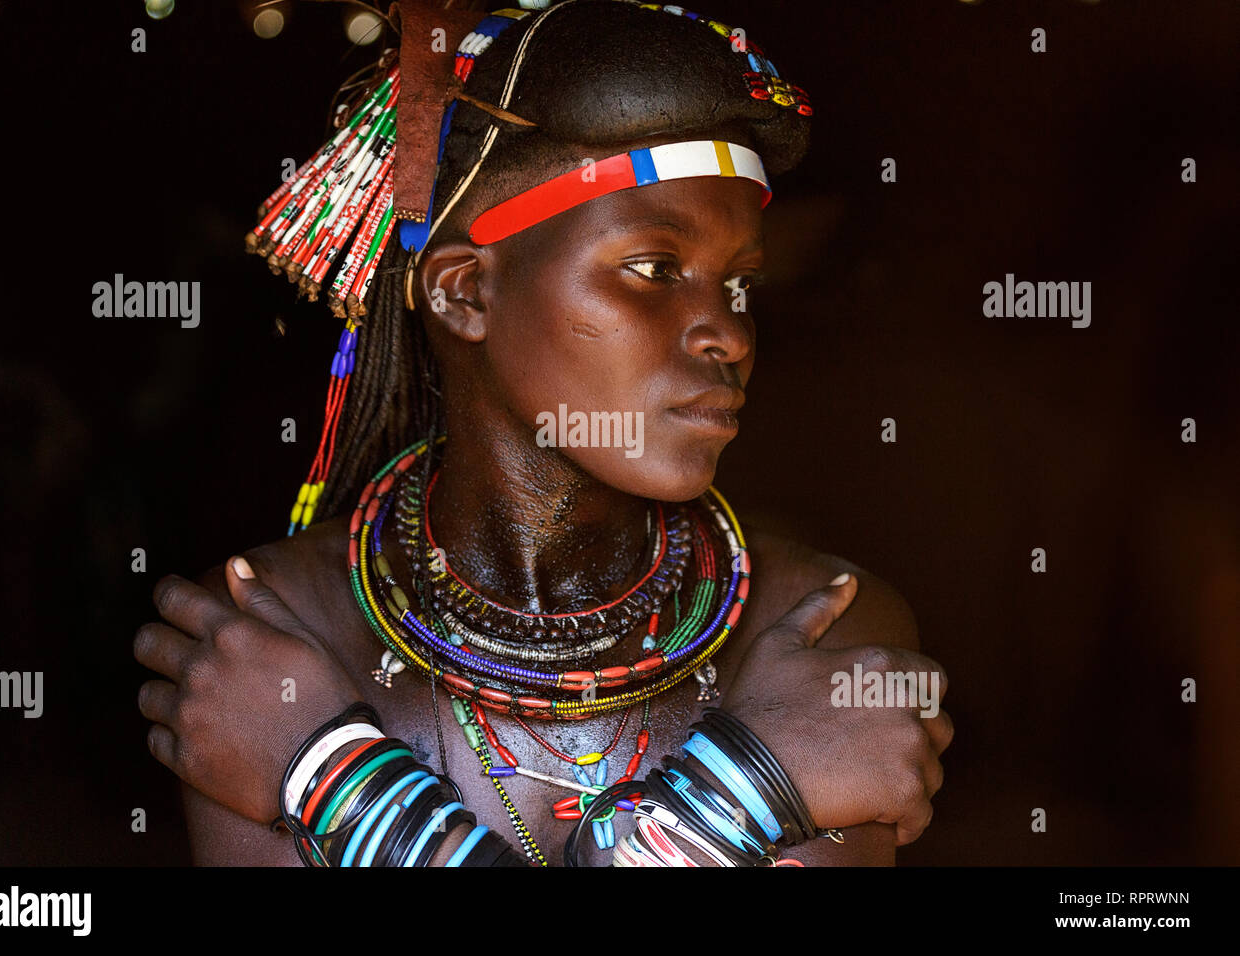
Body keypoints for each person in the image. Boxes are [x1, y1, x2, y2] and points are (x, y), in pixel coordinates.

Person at [133, 0, 952, 866]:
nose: (729, 334)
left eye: (738, 281)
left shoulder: (826, 631)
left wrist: (333, 780)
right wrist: (741, 797)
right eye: (654, 268)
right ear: (465, 294)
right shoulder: (269, 645)